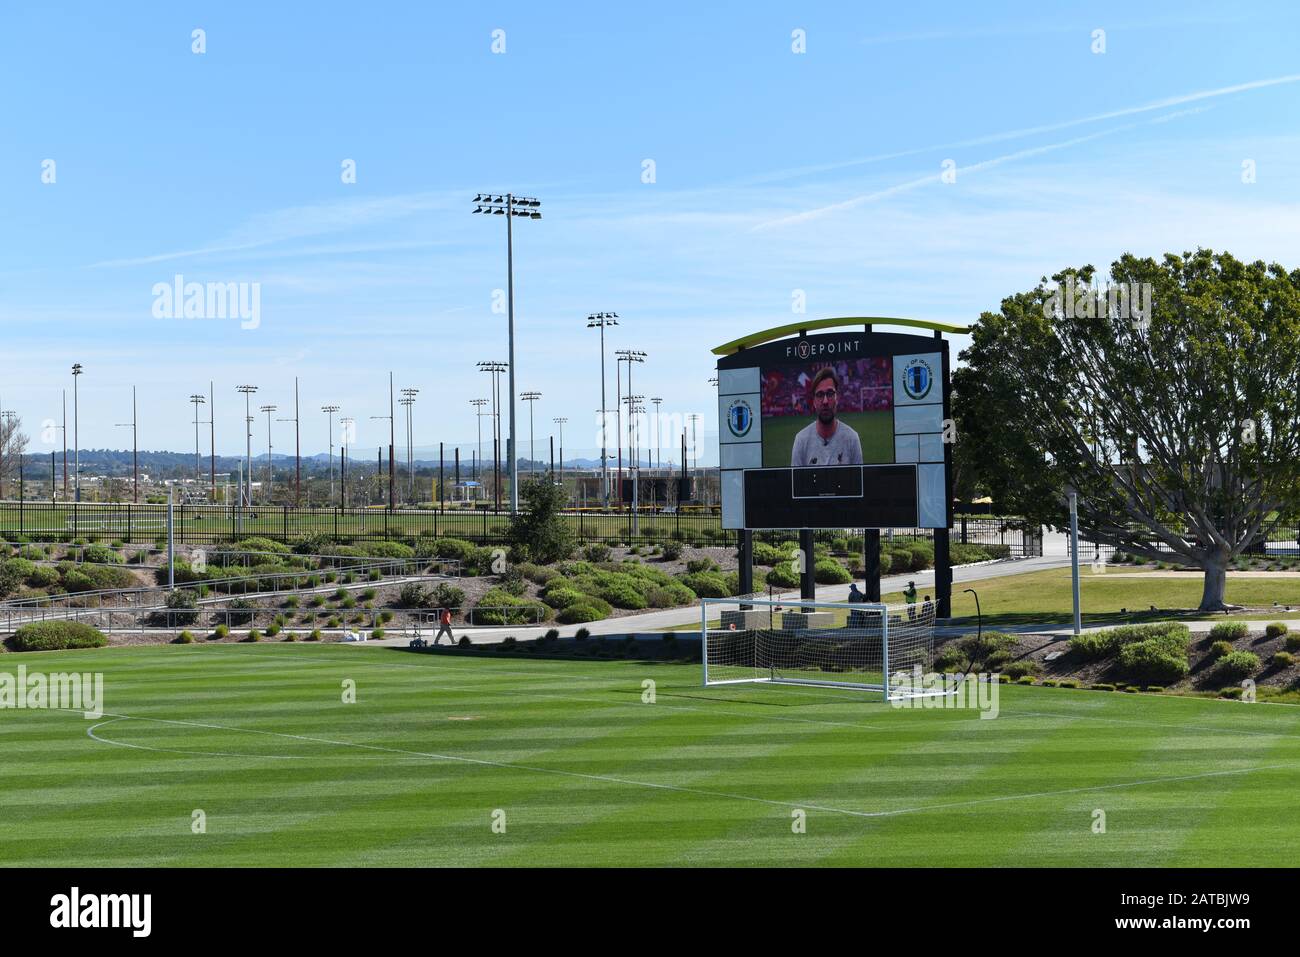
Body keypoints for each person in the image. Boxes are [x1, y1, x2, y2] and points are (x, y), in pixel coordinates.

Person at [790, 367, 864, 467]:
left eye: (830, 394)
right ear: (814, 402)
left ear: (837, 398)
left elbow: (858, 481)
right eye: (820, 395)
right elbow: (796, 482)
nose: (825, 401)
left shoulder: (852, 439)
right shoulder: (801, 441)